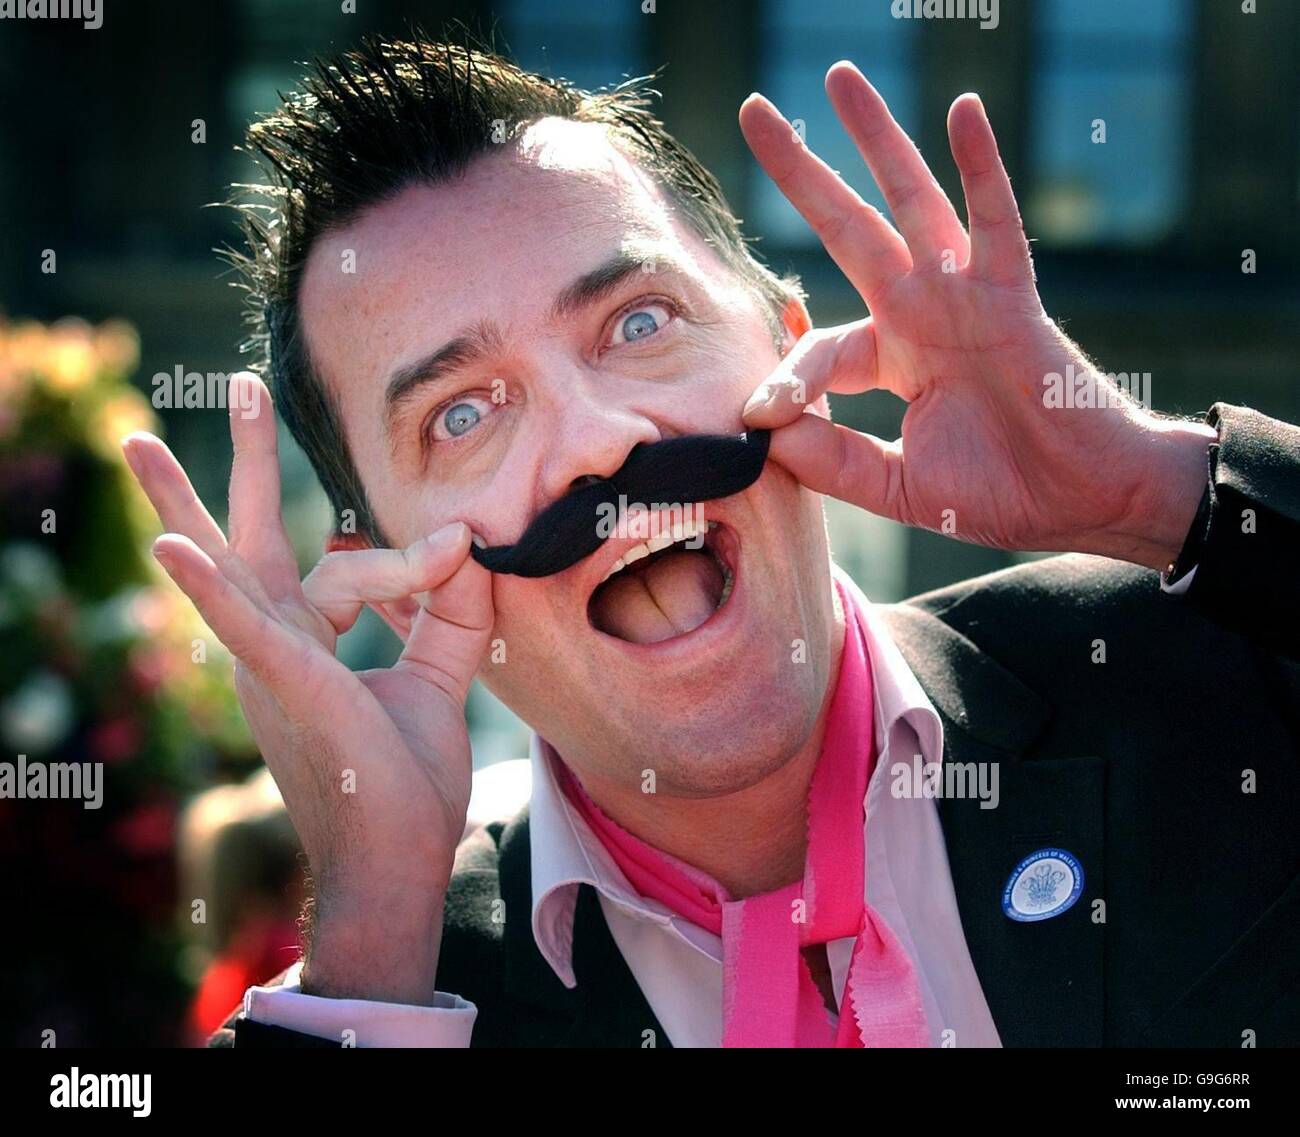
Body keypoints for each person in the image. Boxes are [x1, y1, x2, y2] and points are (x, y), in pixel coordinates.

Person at [122, 38, 1299, 1048]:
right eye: (461, 414)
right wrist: (375, 930)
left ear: (795, 355)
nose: (593, 441)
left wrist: (1153, 488)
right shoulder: (415, 994)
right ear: (393, 583)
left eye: (638, 323)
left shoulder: (1210, 677)